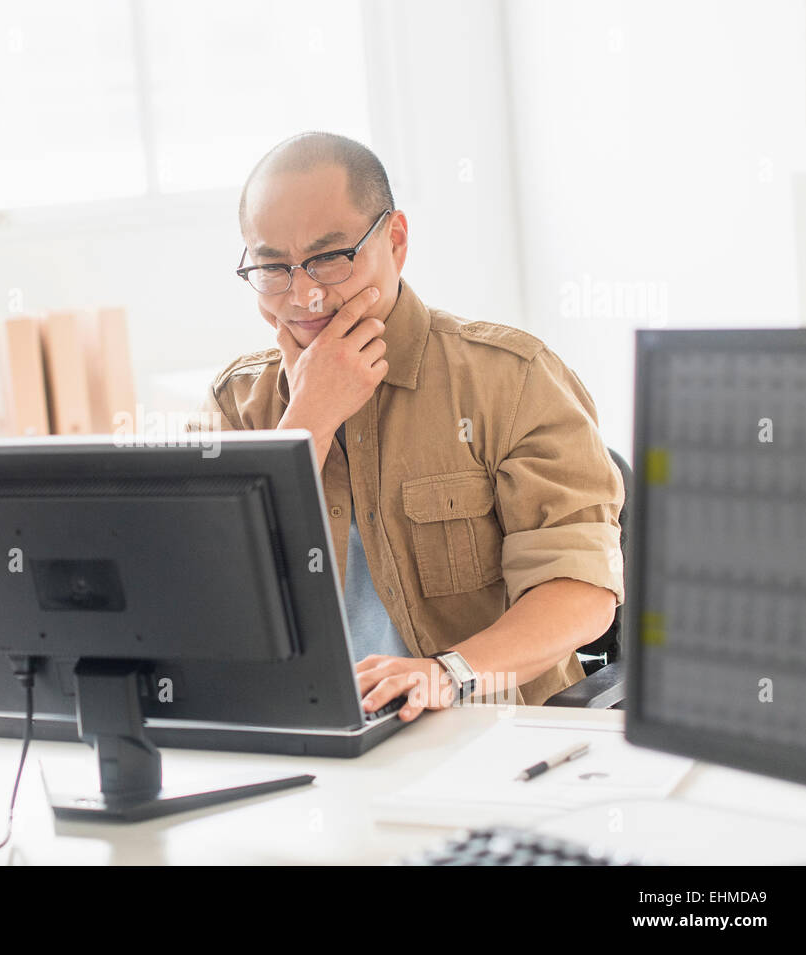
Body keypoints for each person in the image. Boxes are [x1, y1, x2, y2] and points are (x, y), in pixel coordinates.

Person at [199, 131, 624, 719]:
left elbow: (582, 593)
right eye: (272, 267)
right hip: (312, 735)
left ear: (394, 242)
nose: (305, 295)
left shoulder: (513, 379)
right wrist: (309, 422)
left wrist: (447, 675)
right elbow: (209, 607)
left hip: (493, 734)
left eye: (329, 257)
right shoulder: (236, 405)